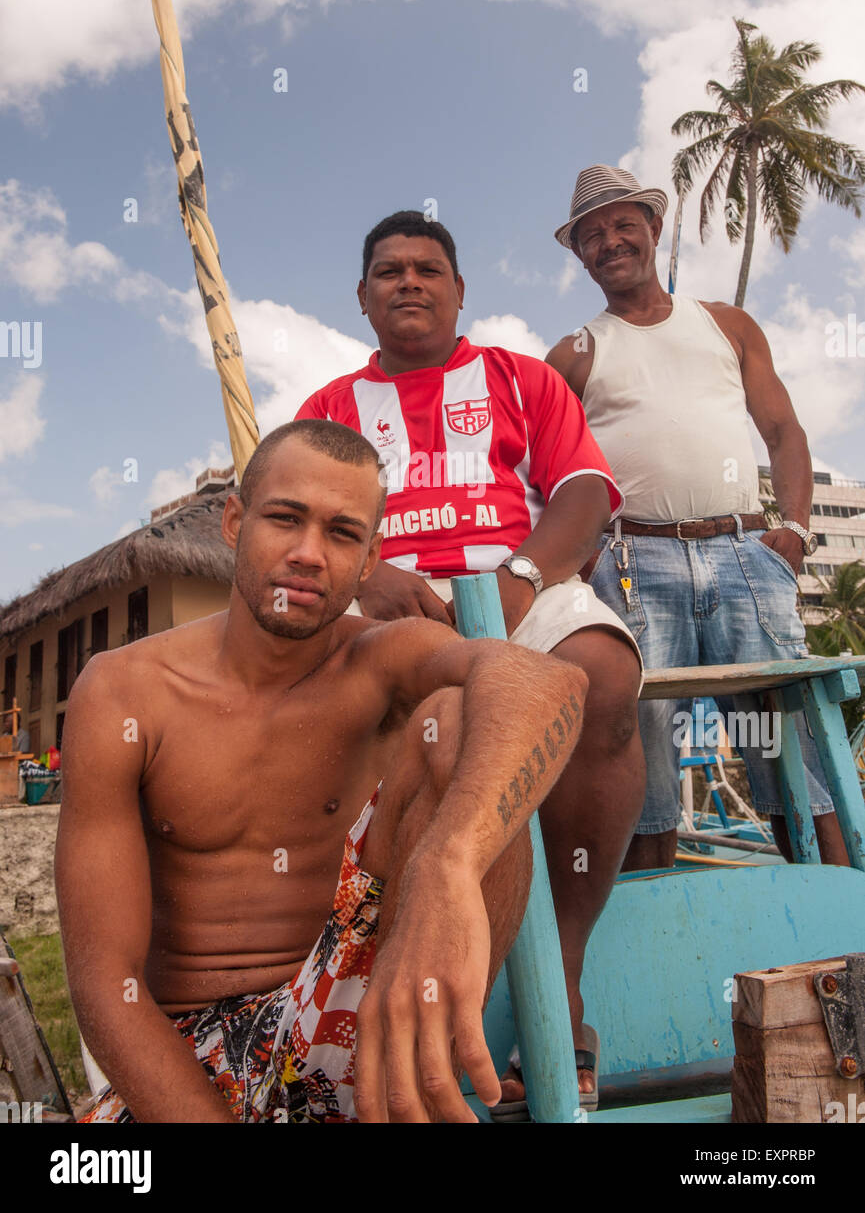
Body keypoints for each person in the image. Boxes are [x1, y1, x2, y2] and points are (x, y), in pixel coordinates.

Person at [56, 419, 588, 1124]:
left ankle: (403, 1106)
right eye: (285, 519)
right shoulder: (123, 691)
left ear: (368, 562)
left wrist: (446, 866)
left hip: (356, 1029)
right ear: (235, 521)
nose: (309, 554)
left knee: (463, 722)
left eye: (341, 534)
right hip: (187, 1057)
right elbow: (104, 984)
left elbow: (543, 683)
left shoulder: (381, 659)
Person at [295, 210, 646, 1111]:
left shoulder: (519, 379)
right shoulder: (330, 408)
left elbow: (580, 490)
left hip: (519, 583)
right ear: (362, 298)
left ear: (457, 290)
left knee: (604, 675)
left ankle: (560, 982)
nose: (408, 281)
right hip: (394, 610)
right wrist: (365, 575)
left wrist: (524, 576)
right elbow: (300, 518)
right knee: (439, 728)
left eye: (426, 268)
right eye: (387, 271)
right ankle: (407, 1004)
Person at [545, 164, 845, 869]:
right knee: (639, 767)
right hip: (632, 566)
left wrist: (793, 536)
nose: (609, 241)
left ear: (653, 228)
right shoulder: (573, 355)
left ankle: (842, 935)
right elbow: (549, 475)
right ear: (580, 255)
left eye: (623, 224)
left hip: (744, 555)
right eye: (591, 235)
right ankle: (657, 957)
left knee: (785, 753)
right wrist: (576, 565)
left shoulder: (725, 324)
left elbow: (783, 434)